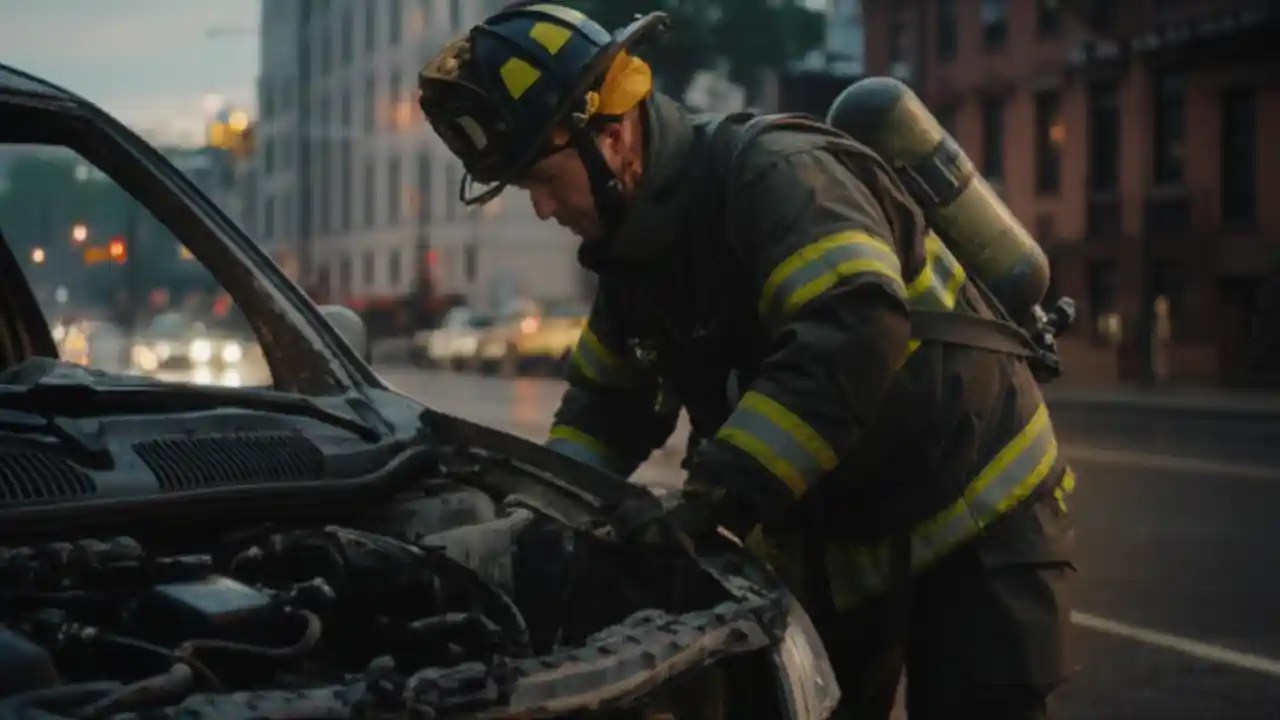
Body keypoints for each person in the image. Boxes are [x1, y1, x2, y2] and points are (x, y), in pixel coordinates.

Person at [417, 4, 1076, 717]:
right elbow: (607, 406)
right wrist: (545, 520)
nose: (543, 208)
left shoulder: (776, 178)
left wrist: (713, 497)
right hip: (846, 530)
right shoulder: (634, 259)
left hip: (972, 510)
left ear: (609, 136)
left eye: (543, 180)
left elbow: (849, 329)